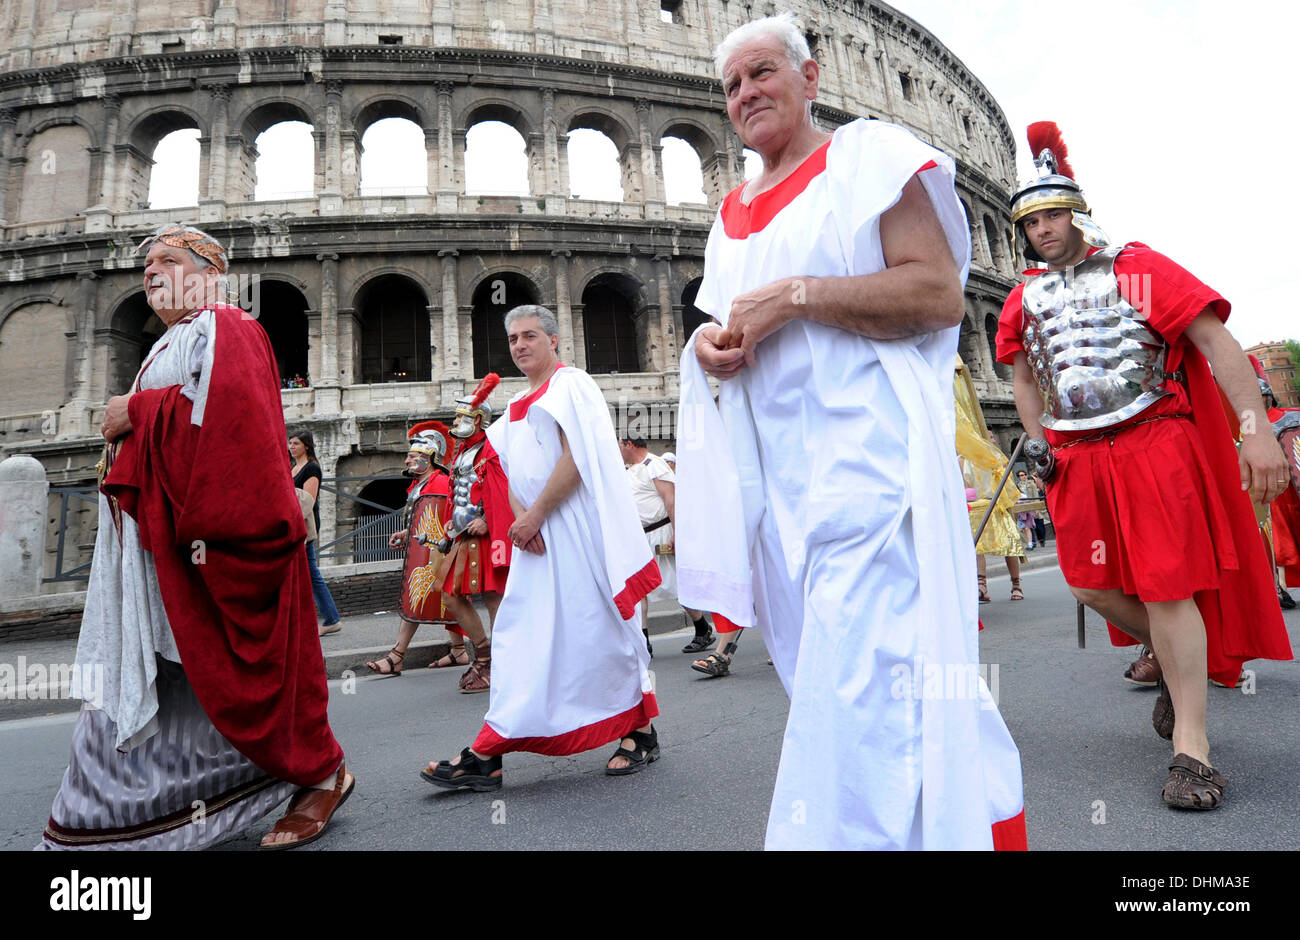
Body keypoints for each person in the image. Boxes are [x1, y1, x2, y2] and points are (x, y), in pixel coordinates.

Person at [675, 14, 1025, 849]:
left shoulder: (870, 156)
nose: (747, 93)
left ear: (812, 77)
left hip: (871, 470)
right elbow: (734, 326)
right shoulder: (729, 217)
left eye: (763, 73)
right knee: (865, 685)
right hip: (783, 488)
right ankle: (967, 826)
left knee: (865, 681)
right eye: (731, 86)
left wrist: (796, 296)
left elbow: (937, 296)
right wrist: (709, 343)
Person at [996, 122, 1293, 809]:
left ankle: (1194, 750)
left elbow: (1216, 342)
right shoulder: (1022, 299)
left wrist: (1255, 432)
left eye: (1052, 214)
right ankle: (1174, 656)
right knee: (1089, 585)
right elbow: (1025, 382)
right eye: (1030, 220)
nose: (1042, 229)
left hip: (1153, 441)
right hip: (1074, 458)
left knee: (1166, 587)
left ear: (1078, 211)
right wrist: (1038, 442)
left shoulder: (1138, 267)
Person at [40, 223, 352, 850]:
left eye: (167, 259)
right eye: (145, 263)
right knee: (168, 677)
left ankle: (321, 776)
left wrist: (138, 412)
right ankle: (148, 816)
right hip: (153, 551)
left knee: (206, 672)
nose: (150, 271)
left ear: (211, 274)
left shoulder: (227, 326)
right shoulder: (174, 341)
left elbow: (234, 432)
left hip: (201, 546)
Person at [421, 305, 663, 789]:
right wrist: (524, 522)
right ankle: (490, 750)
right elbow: (509, 470)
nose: (520, 345)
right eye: (512, 339)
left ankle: (640, 729)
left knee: (601, 629)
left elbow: (580, 456)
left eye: (530, 336)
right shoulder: (514, 406)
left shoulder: (573, 384)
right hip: (538, 536)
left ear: (554, 341)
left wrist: (535, 515)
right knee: (521, 635)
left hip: (575, 528)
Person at [425, 374, 514, 692]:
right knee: (449, 594)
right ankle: (485, 654)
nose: (455, 421)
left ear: (478, 419)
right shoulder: (462, 452)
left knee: (494, 597)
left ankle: (502, 664)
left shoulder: (492, 448)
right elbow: (456, 492)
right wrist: (450, 522)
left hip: (486, 535)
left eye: (461, 416)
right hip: (463, 535)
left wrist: (490, 521)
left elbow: (503, 490)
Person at [369, 421, 462, 677]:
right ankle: (459, 650)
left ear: (428, 457)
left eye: (413, 456)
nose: (408, 461)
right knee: (447, 601)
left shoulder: (440, 482)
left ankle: (396, 656)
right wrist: (405, 533)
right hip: (427, 551)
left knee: (418, 598)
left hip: (439, 552)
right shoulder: (420, 485)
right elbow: (422, 519)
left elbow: (442, 520)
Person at [618, 436, 718, 656]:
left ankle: (702, 628)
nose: (618, 449)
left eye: (619, 444)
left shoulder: (654, 465)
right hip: (641, 537)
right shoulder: (629, 470)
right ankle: (644, 642)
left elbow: (670, 500)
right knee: (639, 587)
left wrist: (676, 532)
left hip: (661, 532)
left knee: (676, 584)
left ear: (629, 444)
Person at [290, 429, 342, 636]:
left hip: (304, 525)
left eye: (296, 443)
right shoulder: (294, 466)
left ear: (306, 446)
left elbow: (308, 501)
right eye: (291, 443)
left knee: (311, 573)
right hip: (294, 524)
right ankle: (326, 618)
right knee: (307, 573)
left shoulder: (312, 468)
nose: (291, 447)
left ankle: (331, 619)